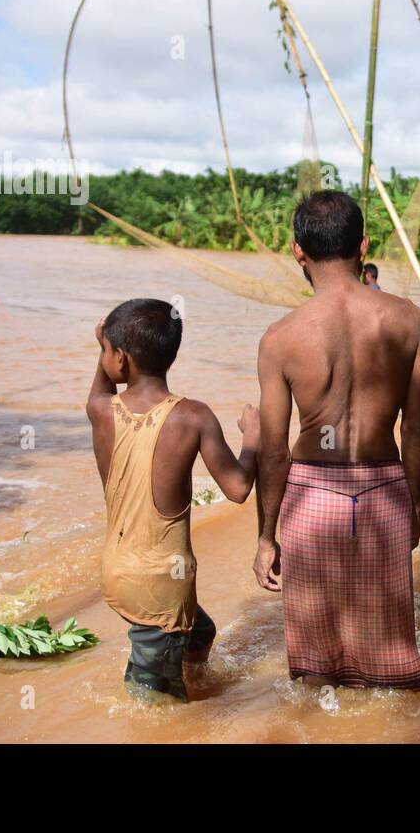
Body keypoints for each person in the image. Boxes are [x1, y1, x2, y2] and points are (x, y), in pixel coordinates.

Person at [253, 190, 420, 691]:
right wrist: (412, 506)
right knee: (392, 665)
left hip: (310, 498)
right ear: (364, 245)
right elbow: (416, 427)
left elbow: (272, 449)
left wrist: (266, 537)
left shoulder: (280, 337)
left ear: (297, 251)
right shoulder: (406, 319)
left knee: (314, 672)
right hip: (383, 493)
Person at [86, 299, 259, 702]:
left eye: (109, 350)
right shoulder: (194, 416)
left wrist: (102, 347)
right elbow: (238, 488)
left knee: (202, 634)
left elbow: (102, 385)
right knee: (156, 702)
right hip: (162, 584)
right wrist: (253, 437)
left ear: (120, 359)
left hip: (118, 571)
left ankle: (192, 674)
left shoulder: (100, 411)